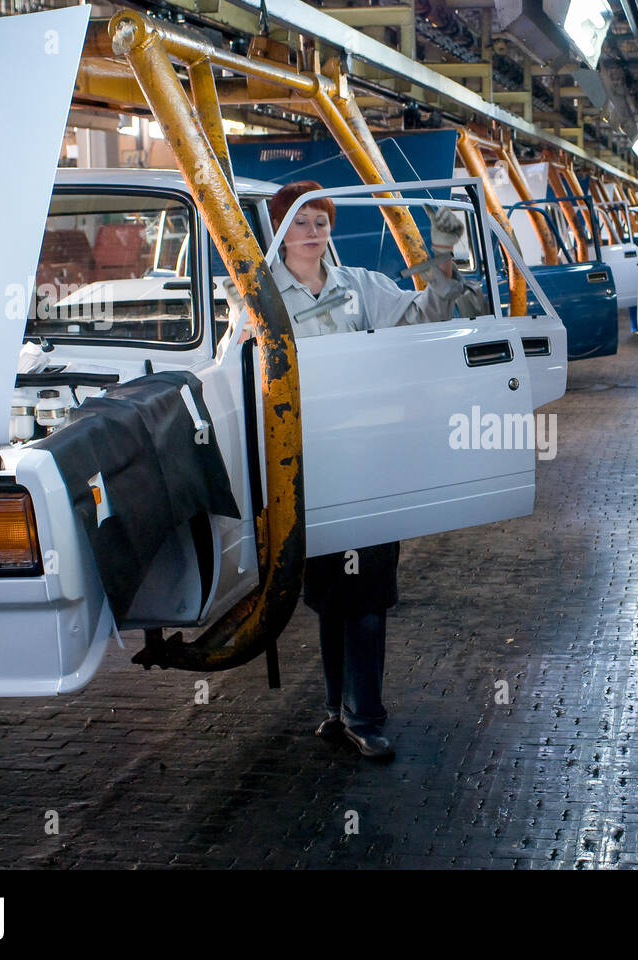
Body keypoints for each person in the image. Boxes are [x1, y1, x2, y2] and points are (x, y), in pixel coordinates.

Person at [235, 180, 488, 761]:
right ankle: (337, 709)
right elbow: (241, 368)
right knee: (329, 594)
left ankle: (364, 716)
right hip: (305, 466)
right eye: (301, 222)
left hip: (368, 462)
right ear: (278, 230)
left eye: (322, 220)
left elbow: (419, 316)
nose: (314, 232)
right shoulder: (259, 297)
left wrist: (443, 264)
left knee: (367, 593)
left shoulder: (360, 287)